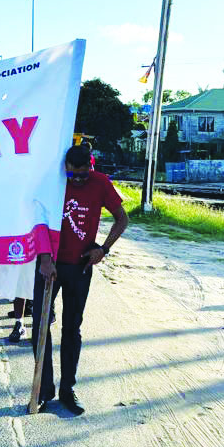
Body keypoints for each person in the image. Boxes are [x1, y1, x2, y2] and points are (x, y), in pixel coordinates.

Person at [31, 144, 128, 416]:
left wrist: (103, 249)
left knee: (72, 329)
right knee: (40, 325)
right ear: (65, 169)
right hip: (48, 264)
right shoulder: (53, 181)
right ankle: (44, 388)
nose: (76, 181)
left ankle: (67, 390)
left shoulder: (100, 183)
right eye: (72, 175)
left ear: (91, 167)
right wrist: (45, 257)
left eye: (82, 175)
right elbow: (38, 219)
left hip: (80, 266)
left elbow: (122, 219)